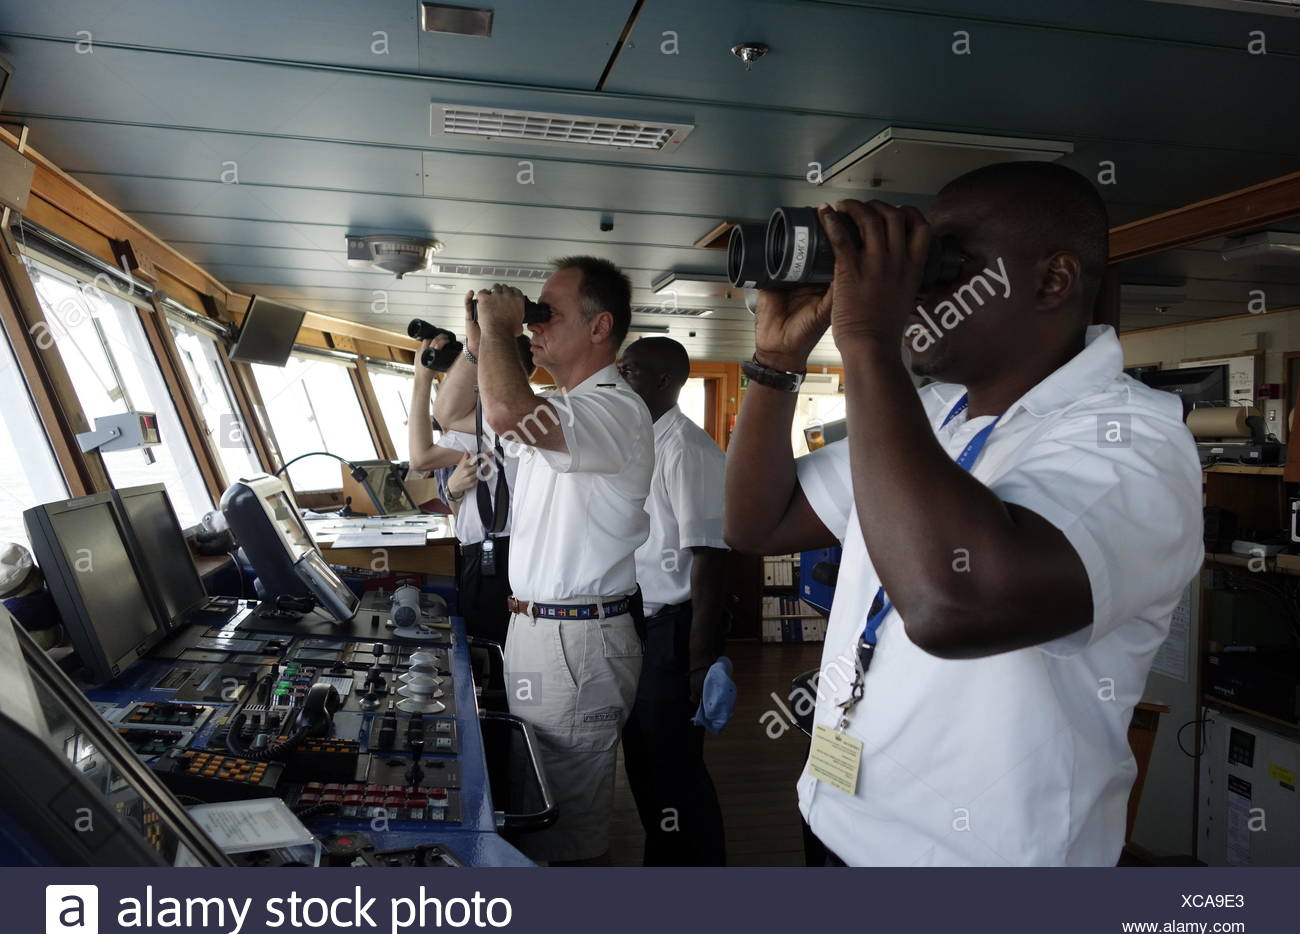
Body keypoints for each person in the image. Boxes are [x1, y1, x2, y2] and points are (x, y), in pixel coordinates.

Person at [724, 162, 1203, 866]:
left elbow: (953, 604)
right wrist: (775, 361)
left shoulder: (1135, 441)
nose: (919, 285)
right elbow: (756, 524)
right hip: (837, 818)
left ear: (1052, 281)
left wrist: (866, 339)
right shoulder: (932, 414)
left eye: (947, 261)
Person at [432, 256, 653, 864]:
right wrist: (480, 345)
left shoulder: (614, 409)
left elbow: (503, 411)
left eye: (546, 314)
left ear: (600, 326)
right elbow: (453, 416)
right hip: (537, 629)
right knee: (538, 800)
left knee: (567, 830)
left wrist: (505, 333)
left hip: (577, 638)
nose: (535, 325)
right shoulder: (559, 409)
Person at [617, 335, 728, 866]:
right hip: (640, 625)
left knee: (673, 767)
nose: (620, 379)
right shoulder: (644, 442)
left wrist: (700, 662)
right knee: (645, 760)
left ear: (665, 381)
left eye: (631, 371)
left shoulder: (687, 448)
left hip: (673, 632)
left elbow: (709, 558)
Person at [408, 319, 536, 647]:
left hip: (503, 554)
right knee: (484, 646)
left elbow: (421, 457)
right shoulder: (480, 425)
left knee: (494, 646)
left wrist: (422, 382)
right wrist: (452, 489)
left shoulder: (507, 421)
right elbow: (428, 466)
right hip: (481, 554)